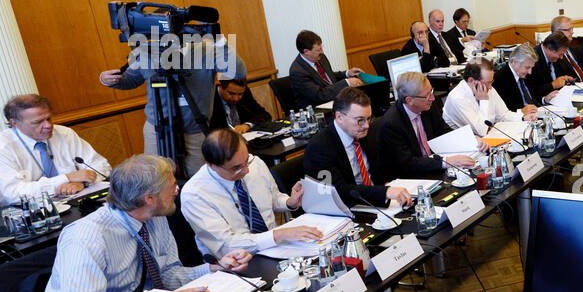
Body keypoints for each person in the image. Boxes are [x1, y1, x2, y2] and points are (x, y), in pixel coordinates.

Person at [39, 155, 251, 292]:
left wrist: (216, 268)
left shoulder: (154, 216)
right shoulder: (86, 237)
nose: (176, 192)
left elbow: (167, 275)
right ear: (149, 198)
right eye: (172, 187)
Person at [98, 39, 246, 176]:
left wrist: (220, 41)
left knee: (201, 179)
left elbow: (237, 72)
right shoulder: (147, 51)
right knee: (155, 179)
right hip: (157, 128)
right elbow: (130, 80)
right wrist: (107, 80)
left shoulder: (205, 50)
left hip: (194, 127)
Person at [180, 129, 320, 259]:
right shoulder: (194, 194)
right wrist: (278, 235)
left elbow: (273, 199)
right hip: (237, 263)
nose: (246, 170)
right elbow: (226, 246)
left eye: (246, 161)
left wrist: (289, 202)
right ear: (211, 165)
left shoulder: (255, 163)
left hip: (277, 248)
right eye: (236, 168)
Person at [0, 94, 109, 207]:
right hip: (23, 209)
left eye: (49, 118)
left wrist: (82, 183)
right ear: (14, 123)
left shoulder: (64, 133)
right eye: (38, 122)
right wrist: (67, 178)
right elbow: (15, 193)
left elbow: (101, 165)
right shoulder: (1, 146)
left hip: (73, 198)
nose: (48, 125)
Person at [302, 88, 414, 210]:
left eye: (368, 118)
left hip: (377, 203)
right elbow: (338, 191)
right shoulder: (319, 147)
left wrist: (386, 185)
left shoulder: (362, 133)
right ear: (339, 117)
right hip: (348, 208)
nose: (366, 125)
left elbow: (379, 170)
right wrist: (384, 192)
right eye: (360, 120)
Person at [375, 72, 479, 180]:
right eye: (427, 95)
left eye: (431, 92)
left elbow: (443, 131)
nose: (433, 98)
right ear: (409, 100)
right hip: (408, 178)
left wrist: (470, 139)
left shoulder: (427, 106)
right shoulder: (391, 124)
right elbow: (407, 163)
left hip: (432, 168)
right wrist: (446, 161)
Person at [442, 60, 536, 137]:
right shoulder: (458, 98)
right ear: (471, 80)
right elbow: (482, 130)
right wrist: (484, 101)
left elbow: (503, 115)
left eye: (491, 82)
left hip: (488, 137)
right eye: (487, 82)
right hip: (465, 143)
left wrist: (522, 118)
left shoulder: (487, 87)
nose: (490, 87)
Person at [288, 30, 362, 108]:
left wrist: (347, 73)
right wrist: (347, 82)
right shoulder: (298, 71)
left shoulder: (320, 57)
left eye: (321, 48)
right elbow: (320, 95)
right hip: (317, 109)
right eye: (318, 50)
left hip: (335, 101)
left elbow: (329, 77)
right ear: (306, 51)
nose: (322, 52)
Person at [492, 43, 543, 113]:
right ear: (514, 62)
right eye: (527, 67)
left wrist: (544, 99)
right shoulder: (500, 79)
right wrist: (521, 111)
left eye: (531, 68)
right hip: (517, 120)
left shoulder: (525, 74)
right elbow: (501, 112)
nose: (530, 72)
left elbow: (534, 97)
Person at [549, 16, 583, 82]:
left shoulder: (572, 48)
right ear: (557, 32)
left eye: (572, 29)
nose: (572, 32)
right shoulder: (554, 54)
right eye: (568, 30)